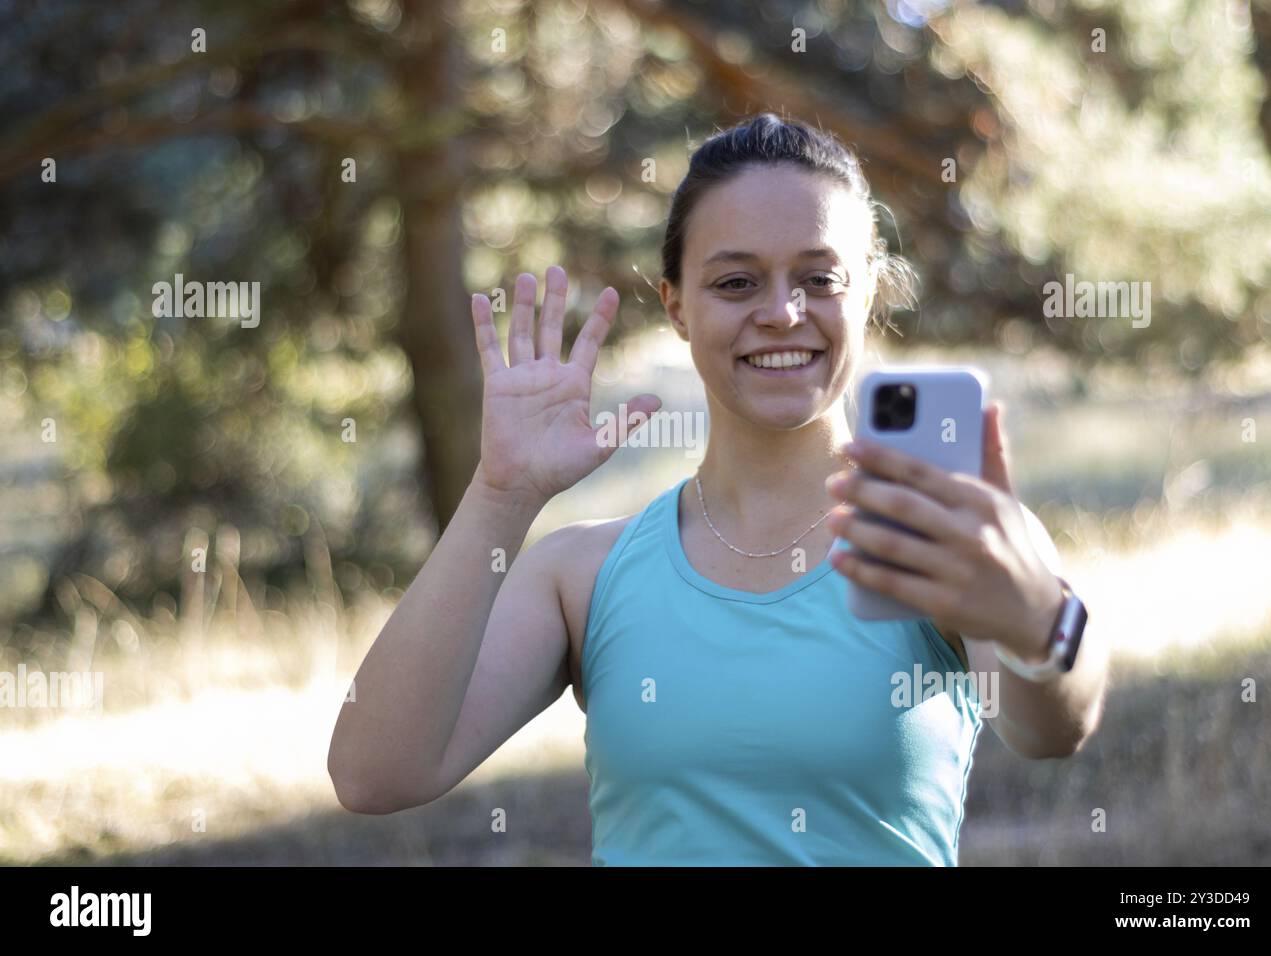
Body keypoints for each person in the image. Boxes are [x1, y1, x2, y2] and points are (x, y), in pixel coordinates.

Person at [327, 113, 1109, 865]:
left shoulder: (941, 534)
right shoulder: (584, 576)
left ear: (868, 292)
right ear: (676, 306)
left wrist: (1036, 622)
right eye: (736, 282)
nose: (781, 313)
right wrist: (501, 496)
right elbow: (375, 774)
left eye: (819, 277)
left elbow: (1054, 730)